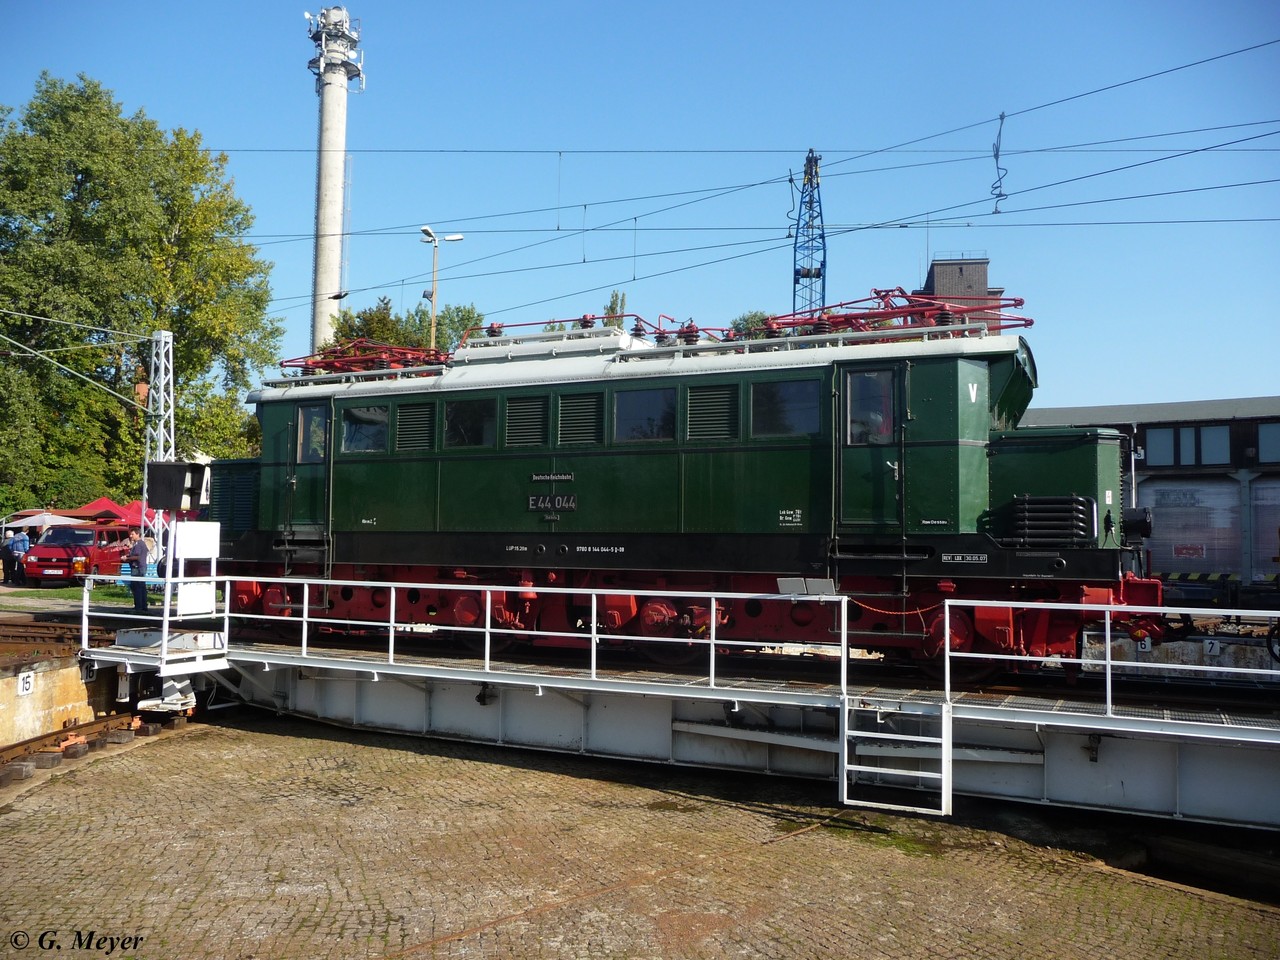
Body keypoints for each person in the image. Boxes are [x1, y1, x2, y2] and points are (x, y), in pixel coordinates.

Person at [125, 527, 150, 613]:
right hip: (140, 567)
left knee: (137, 587)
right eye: (130, 534)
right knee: (141, 587)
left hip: (138, 568)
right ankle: (143, 606)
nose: (130, 536)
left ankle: (139, 606)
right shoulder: (140, 543)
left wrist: (127, 558)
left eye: (132, 534)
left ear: (137, 534)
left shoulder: (139, 544)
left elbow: (137, 556)